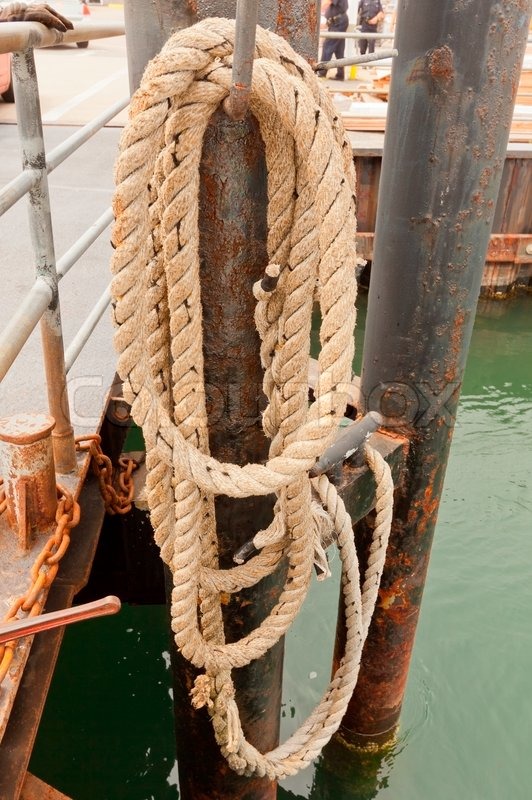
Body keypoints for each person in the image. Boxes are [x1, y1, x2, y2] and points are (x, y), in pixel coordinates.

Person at [317, 0, 349, 81]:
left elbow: (327, 2)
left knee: (328, 46)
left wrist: (314, 11)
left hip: (338, 22)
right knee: (339, 49)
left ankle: (321, 72)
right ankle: (340, 74)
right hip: (337, 21)